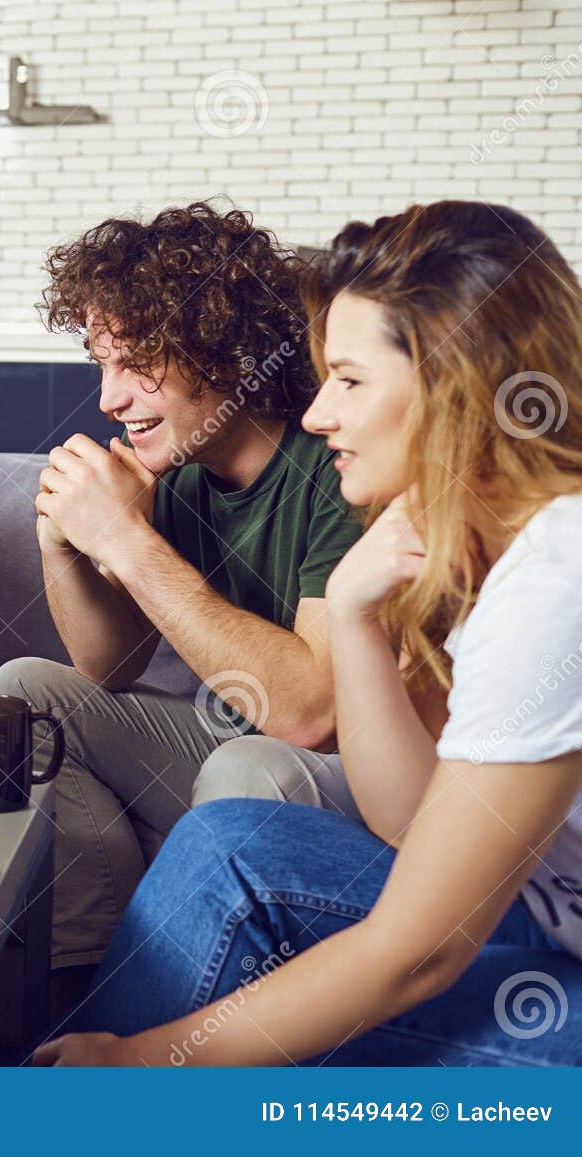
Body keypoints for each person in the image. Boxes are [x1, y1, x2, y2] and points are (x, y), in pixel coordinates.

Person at [39, 201, 582, 1065]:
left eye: (352, 381)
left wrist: (139, 1066)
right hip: (541, 927)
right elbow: (412, 828)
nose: (321, 411)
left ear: (458, 386)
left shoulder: (557, 576)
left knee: (251, 899)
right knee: (231, 847)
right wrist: (357, 612)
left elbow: (420, 950)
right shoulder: (488, 551)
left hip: (536, 959)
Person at [0, 202, 365, 976]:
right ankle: (88, 977)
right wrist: (63, 535)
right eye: (100, 365)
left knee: (246, 768)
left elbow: (311, 713)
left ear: (222, 350)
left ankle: (171, 1021)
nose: (108, 399)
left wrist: (125, 539)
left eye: (134, 364)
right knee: (21, 693)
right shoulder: (184, 480)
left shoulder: (340, 465)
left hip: (352, 768)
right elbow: (108, 669)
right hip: (234, 734)